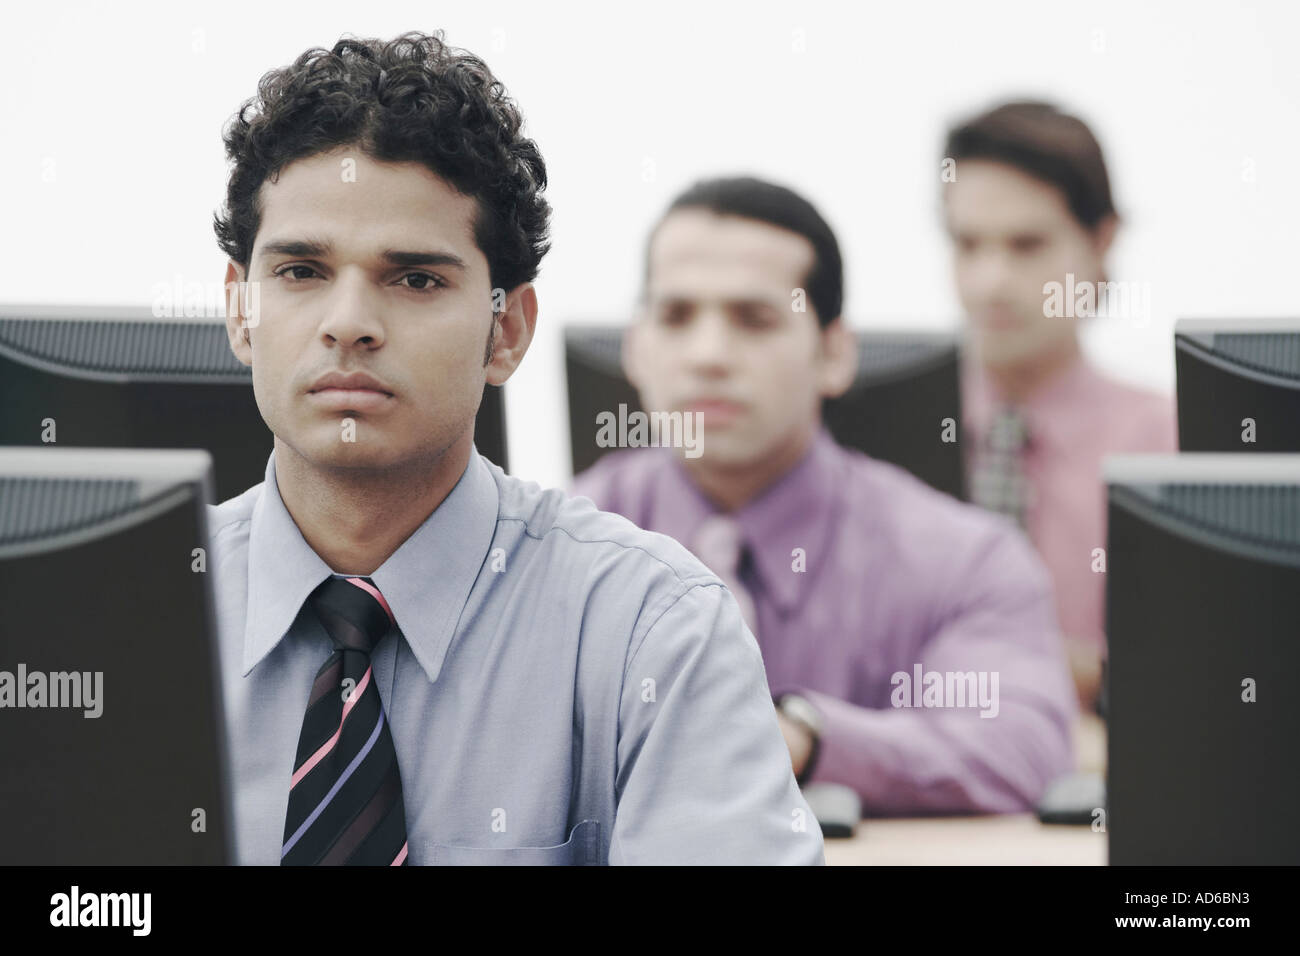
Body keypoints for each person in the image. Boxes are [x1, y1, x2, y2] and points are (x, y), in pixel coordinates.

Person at [209, 32, 822, 865]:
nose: (347, 321)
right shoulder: (116, 615)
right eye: (301, 271)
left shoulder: (655, 632)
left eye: (416, 278)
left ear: (506, 330)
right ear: (241, 311)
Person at [572, 176, 1077, 815]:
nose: (707, 354)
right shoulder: (556, 550)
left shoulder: (968, 560)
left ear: (835, 354)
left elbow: (1020, 747)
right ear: (635, 349)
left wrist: (803, 739)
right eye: (675, 316)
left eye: (754, 319)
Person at [942, 101, 1178, 713]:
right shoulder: (872, 438)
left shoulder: (1168, 442)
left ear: (1101, 241)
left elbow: (1195, 673)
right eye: (968, 245)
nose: (990, 280)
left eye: (1027, 245)